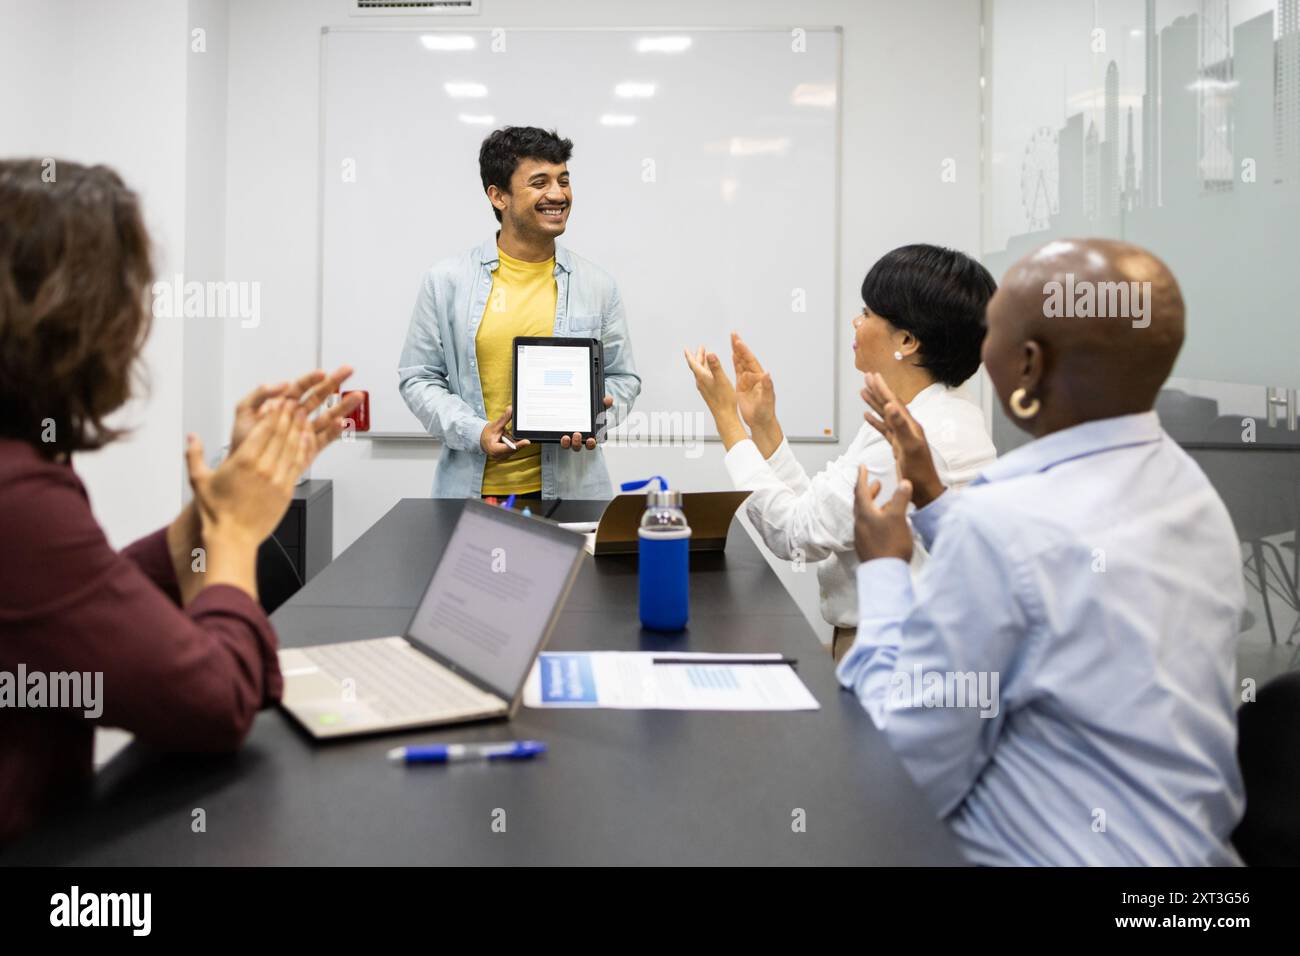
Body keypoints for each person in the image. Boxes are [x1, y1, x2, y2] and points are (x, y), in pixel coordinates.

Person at [844, 238, 1245, 865]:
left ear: (1027, 365)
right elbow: (1052, 577)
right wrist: (932, 497)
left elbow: (903, 764)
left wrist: (886, 570)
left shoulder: (1003, 523)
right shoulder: (1195, 498)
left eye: (993, 336)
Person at [0, 159, 362, 843]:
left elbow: (80, 604)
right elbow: (218, 702)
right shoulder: (18, 499)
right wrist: (231, 537)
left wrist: (215, 509)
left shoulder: (25, 468)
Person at [684, 245, 997, 660]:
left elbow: (794, 536)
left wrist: (726, 419)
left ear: (906, 339)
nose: (856, 321)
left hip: (895, 653)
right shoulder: (932, 412)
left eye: (868, 313)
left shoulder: (918, 437)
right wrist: (762, 426)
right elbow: (818, 512)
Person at [398, 126, 640, 501]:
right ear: (499, 196)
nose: (558, 195)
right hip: (474, 496)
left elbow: (623, 378)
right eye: (539, 182)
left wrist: (594, 420)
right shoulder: (446, 281)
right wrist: (474, 431)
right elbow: (418, 378)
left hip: (571, 499)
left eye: (563, 180)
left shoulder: (598, 285)